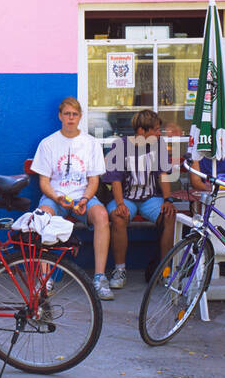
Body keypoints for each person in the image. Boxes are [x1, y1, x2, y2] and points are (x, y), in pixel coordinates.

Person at [30, 96, 112, 301]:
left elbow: (94, 180)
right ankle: (44, 278)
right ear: (60, 116)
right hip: (56, 197)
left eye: (74, 114)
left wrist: (84, 199)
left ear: (80, 117)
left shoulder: (90, 143)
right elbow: (44, 182)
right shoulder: (48, 143)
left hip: (82, 197)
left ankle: (100, 277)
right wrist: (57, 199)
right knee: (43, 216)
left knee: (102, 215)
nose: (70, 118)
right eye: (67, 114)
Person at [106, 108, 177, 289]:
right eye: (155, 130)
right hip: (126, 197)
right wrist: (120, 204)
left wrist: (168, 200)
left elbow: (164, 175)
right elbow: (115, 179)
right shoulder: (120, 145)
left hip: (150, 198)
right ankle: (120, 270)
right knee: (118, 216)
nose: (159, 133)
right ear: (141, 131)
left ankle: (165, 270)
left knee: (169, 215)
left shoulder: (158, 145)